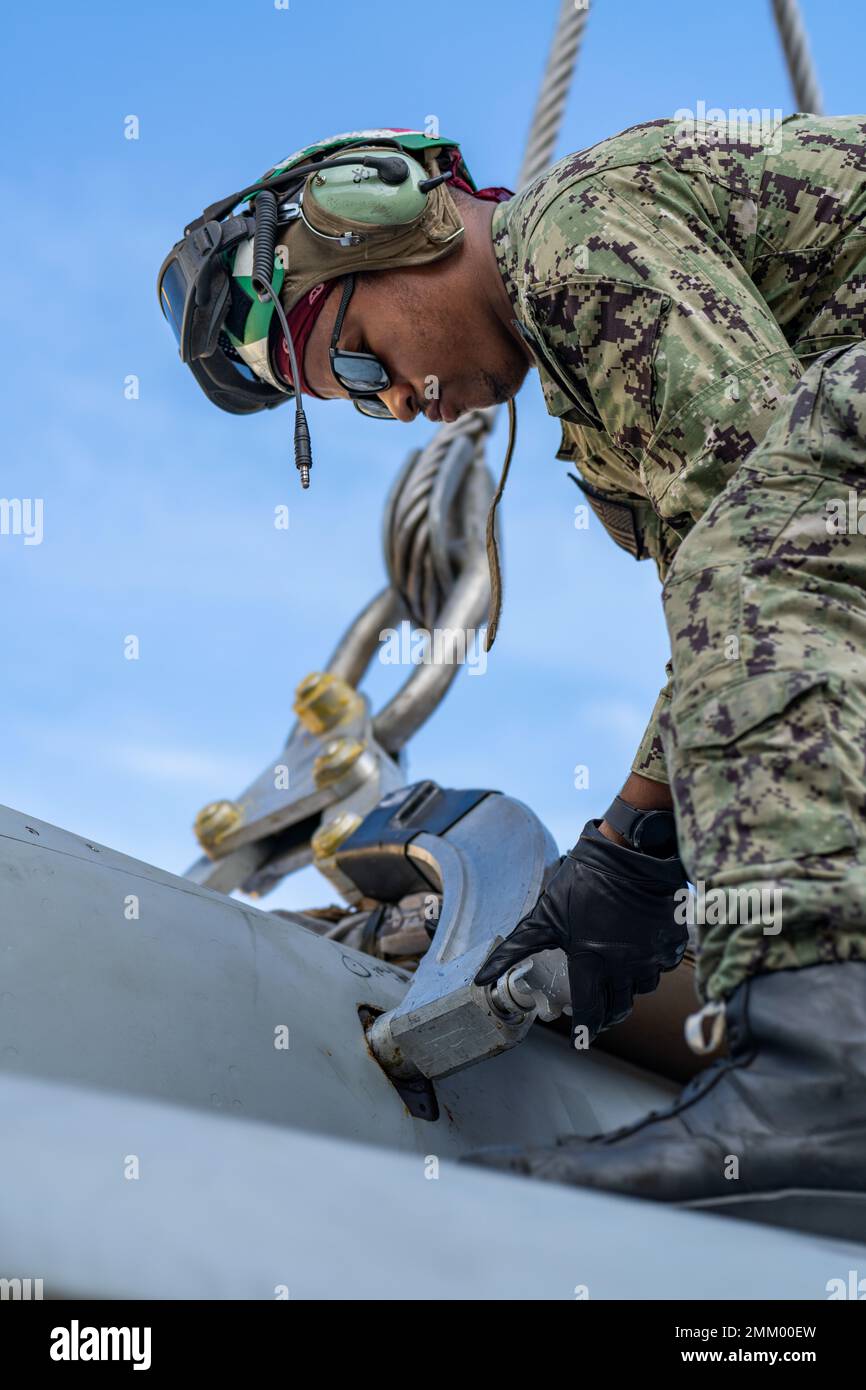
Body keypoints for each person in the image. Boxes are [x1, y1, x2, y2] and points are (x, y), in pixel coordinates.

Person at [160, 117, 866, 1233]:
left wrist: (634, 844)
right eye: (359, 403)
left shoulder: (569, 233)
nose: (394, 406)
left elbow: (766, 528)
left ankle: (827, 1078)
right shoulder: (595, 405)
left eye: (356, 362)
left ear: (388, 219)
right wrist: (633, 851)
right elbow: (763, 616)